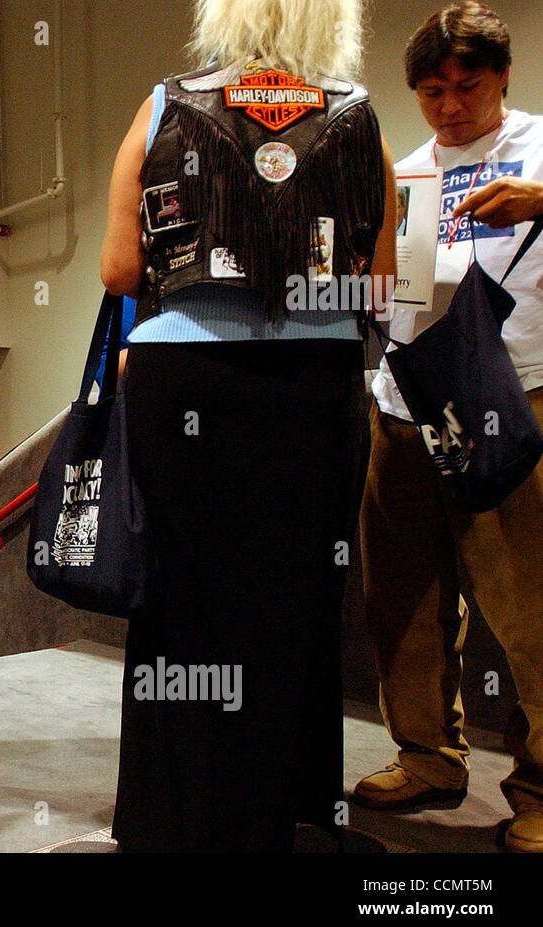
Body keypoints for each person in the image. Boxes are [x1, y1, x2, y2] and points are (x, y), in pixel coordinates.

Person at [99, 0, 396, 851]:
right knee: (293, 604)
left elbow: (122, 267)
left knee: (182, 599)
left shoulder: (164, 102)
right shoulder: (358, 114)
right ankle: (281, 811)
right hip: (311, 388)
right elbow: (375, 289)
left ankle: (173, 818)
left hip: (183, 376)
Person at [353, 1, 543, 854]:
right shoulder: (406, 170)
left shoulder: (538, 146)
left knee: (529, 601)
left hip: (513, 392)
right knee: (404, 595)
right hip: (402, 401)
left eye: (468, 85)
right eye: (432, 91)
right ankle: (426, 753)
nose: (451, 105)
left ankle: (539, 786)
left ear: (503, 75)